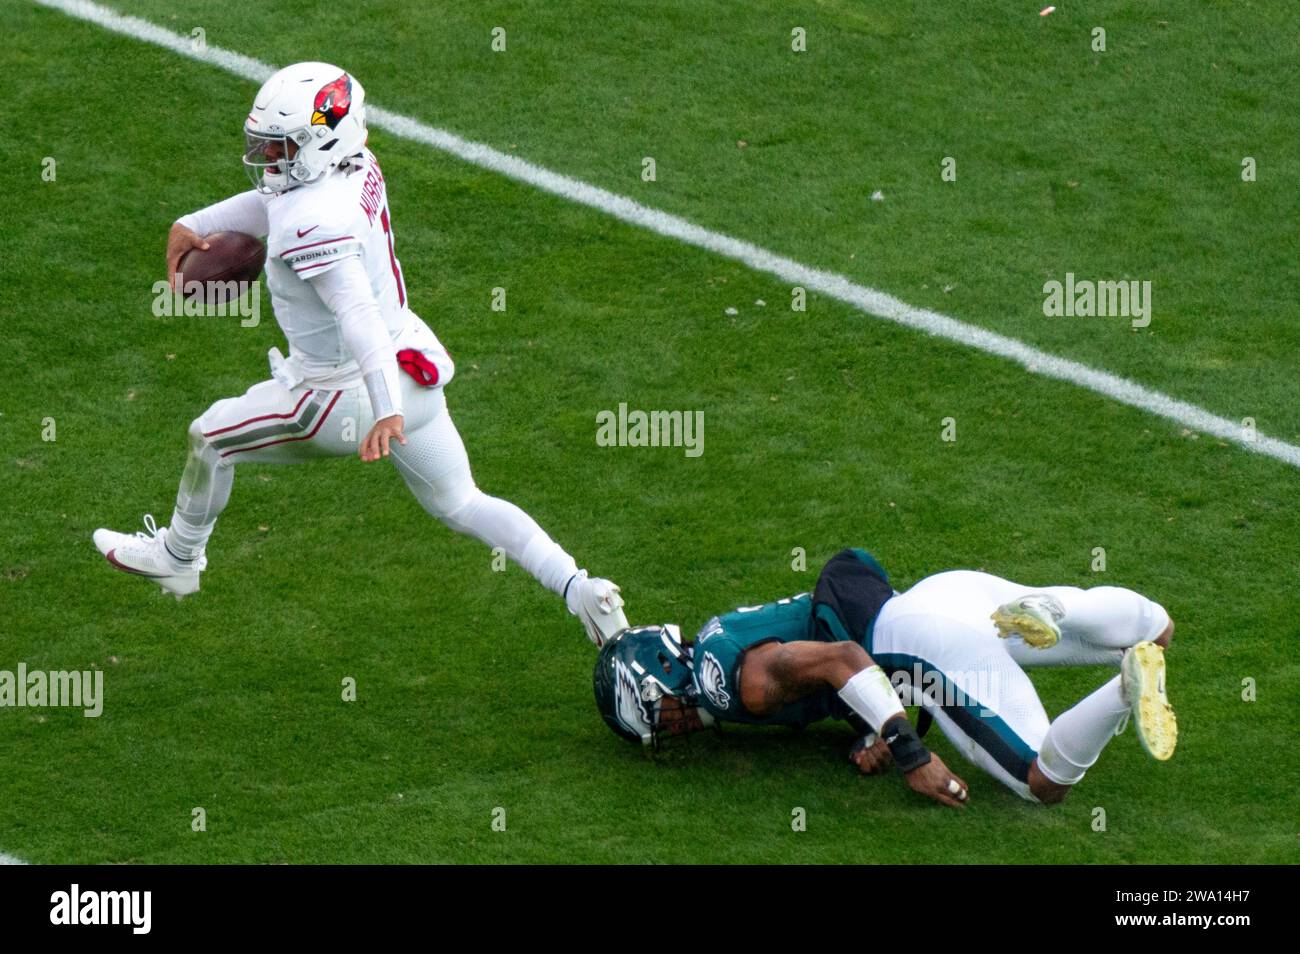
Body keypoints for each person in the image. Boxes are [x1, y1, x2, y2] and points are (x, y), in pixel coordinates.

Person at [93, 62, 627, 646]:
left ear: (322, 141)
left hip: (346, 395)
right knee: (463, 501)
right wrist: (191, 224)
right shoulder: (356, 166)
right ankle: (582, 589)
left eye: (282, 146)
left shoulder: (310, 222)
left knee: (210, 437)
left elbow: (355, 314)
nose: (269, 157)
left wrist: (385, 409)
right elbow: (274, 205)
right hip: (413, 366)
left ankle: (178, 555)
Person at [594, 548, 1176, 807]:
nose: (669, 729)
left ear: (660, 681)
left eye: (656, 717)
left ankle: (1128, 687)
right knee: (1157, 632)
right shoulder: (723, 641)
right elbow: (842, 666)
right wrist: (868, 731)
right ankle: (1057, 608)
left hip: (912, 643)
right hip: (934, 598)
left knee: (1041, 782)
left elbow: (845, 658)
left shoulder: (728, 681)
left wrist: (910, 754)